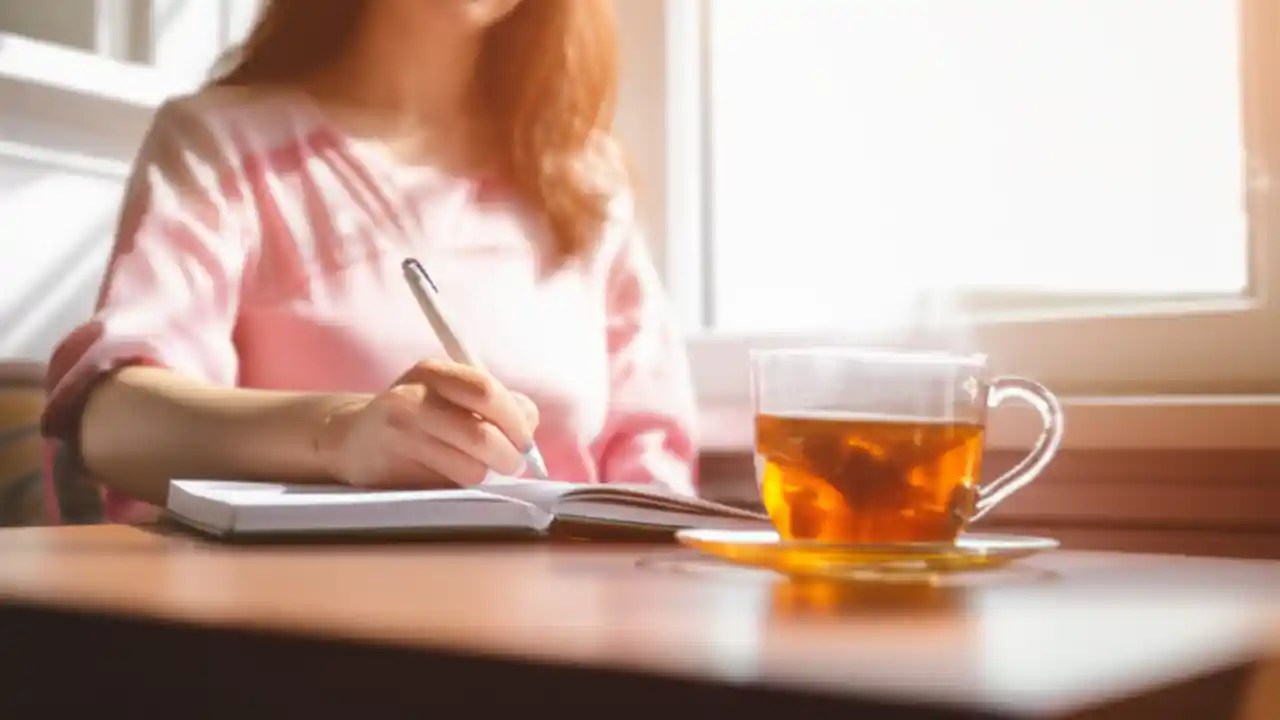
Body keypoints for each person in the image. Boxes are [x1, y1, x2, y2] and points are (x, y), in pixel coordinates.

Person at [39, 0, 698, 524]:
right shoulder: (221, 144)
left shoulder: (584, 182)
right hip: (308, 639)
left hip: (567, 645)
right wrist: (338, 435)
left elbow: (654, 475)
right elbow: (111, 425)